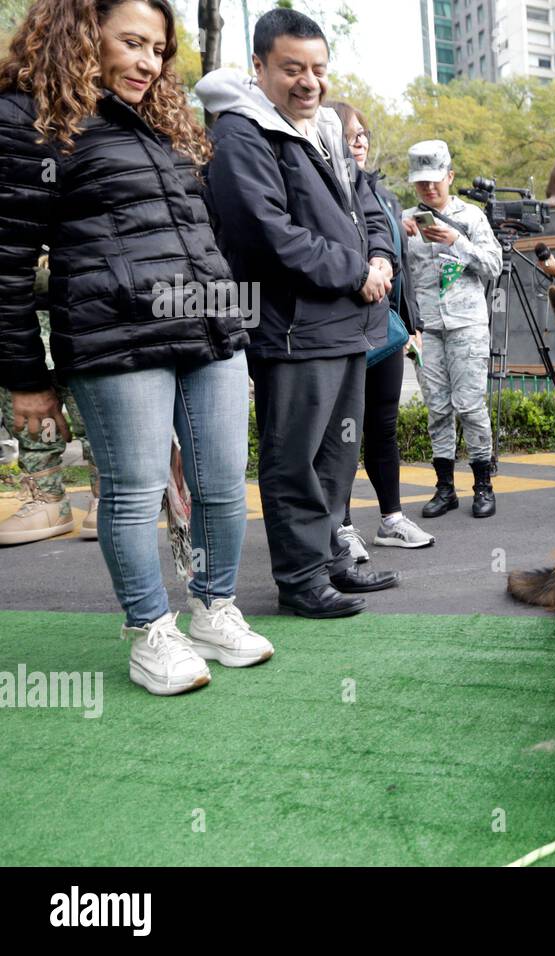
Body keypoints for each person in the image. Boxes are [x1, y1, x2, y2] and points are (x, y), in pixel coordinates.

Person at [0, 0, 272, 694]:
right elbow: (6, 259)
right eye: (133, 43)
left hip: (206, 326)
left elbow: (199, 237)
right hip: (114, 334)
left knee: (220, 485)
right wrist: (27, 378)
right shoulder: (25, 117)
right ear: (83, 35)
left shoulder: (161, 121)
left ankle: (213, 609)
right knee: (132, 492)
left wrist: (232, 326)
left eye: (159, 49)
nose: (150, 62)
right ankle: (151, 631)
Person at [198, 8, 400, 619]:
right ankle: (300, 577)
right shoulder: (241, 133)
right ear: (258, 67)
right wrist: (356, 272)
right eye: (291, 69)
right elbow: (268, 234)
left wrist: (383, 256)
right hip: (290, 325)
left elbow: (367, 201)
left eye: (318, 68)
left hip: (345, 323)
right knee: (295, 457)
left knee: (338, 451)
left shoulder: (328, 129)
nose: (309, 81)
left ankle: (333, 557)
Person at [326, 101, 432, 556]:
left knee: (382, 428)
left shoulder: (381, 194)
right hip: (340, 328)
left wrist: (411, 324)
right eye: (351, 135)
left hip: (384, 327)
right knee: (343, 429)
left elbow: (398, 264)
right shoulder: (322, 185)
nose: (361, 142)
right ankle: (341, 525)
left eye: (364, 134)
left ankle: (391, 518)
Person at [402, 140, 503, 520]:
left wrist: (458, 242)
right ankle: (445, 488)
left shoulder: (471, 217)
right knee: (437, 409)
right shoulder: (406, 219)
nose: (428, 189)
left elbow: (494, 264)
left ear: (450, 176)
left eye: (435, 181)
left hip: (467, 325)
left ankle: (483, 485)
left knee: (471, 406)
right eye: (421, 183)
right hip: (426, 328)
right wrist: (398, 234)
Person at [0, 261, 99, 545]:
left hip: (89, 319)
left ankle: (111, 493)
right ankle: (48, 501)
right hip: (20, 322)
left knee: (96, 417)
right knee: (31, 420)